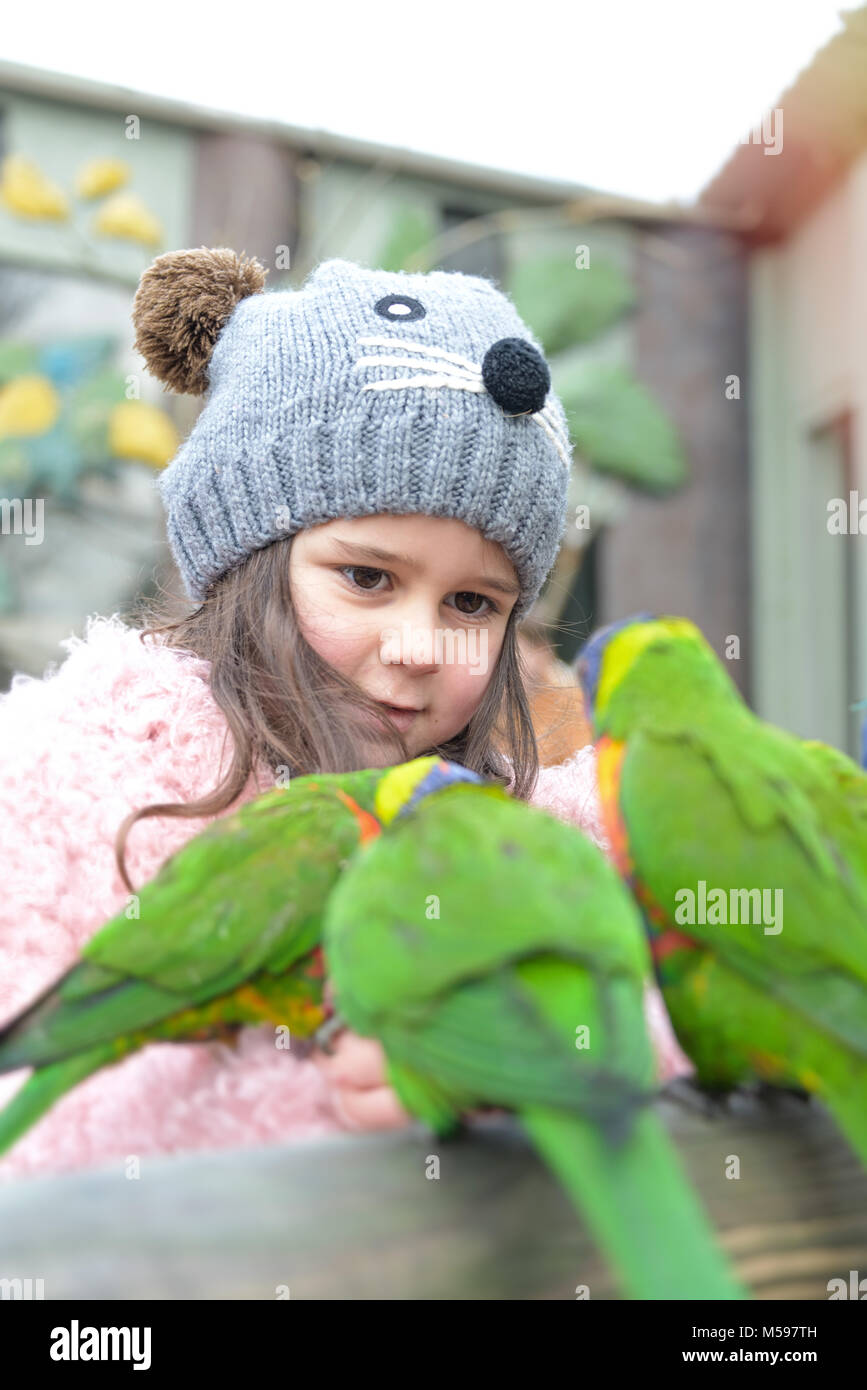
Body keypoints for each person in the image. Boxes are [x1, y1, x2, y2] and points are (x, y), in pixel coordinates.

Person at [0, 247, 691, 1182]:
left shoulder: (543, 822)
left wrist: (517, 1076)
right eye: (367, 578)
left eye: (472, 604)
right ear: (247, 563)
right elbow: (42, 1135)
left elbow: (664, 1040)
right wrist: (345, 1116)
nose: (420, 645)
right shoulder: (74, 779)